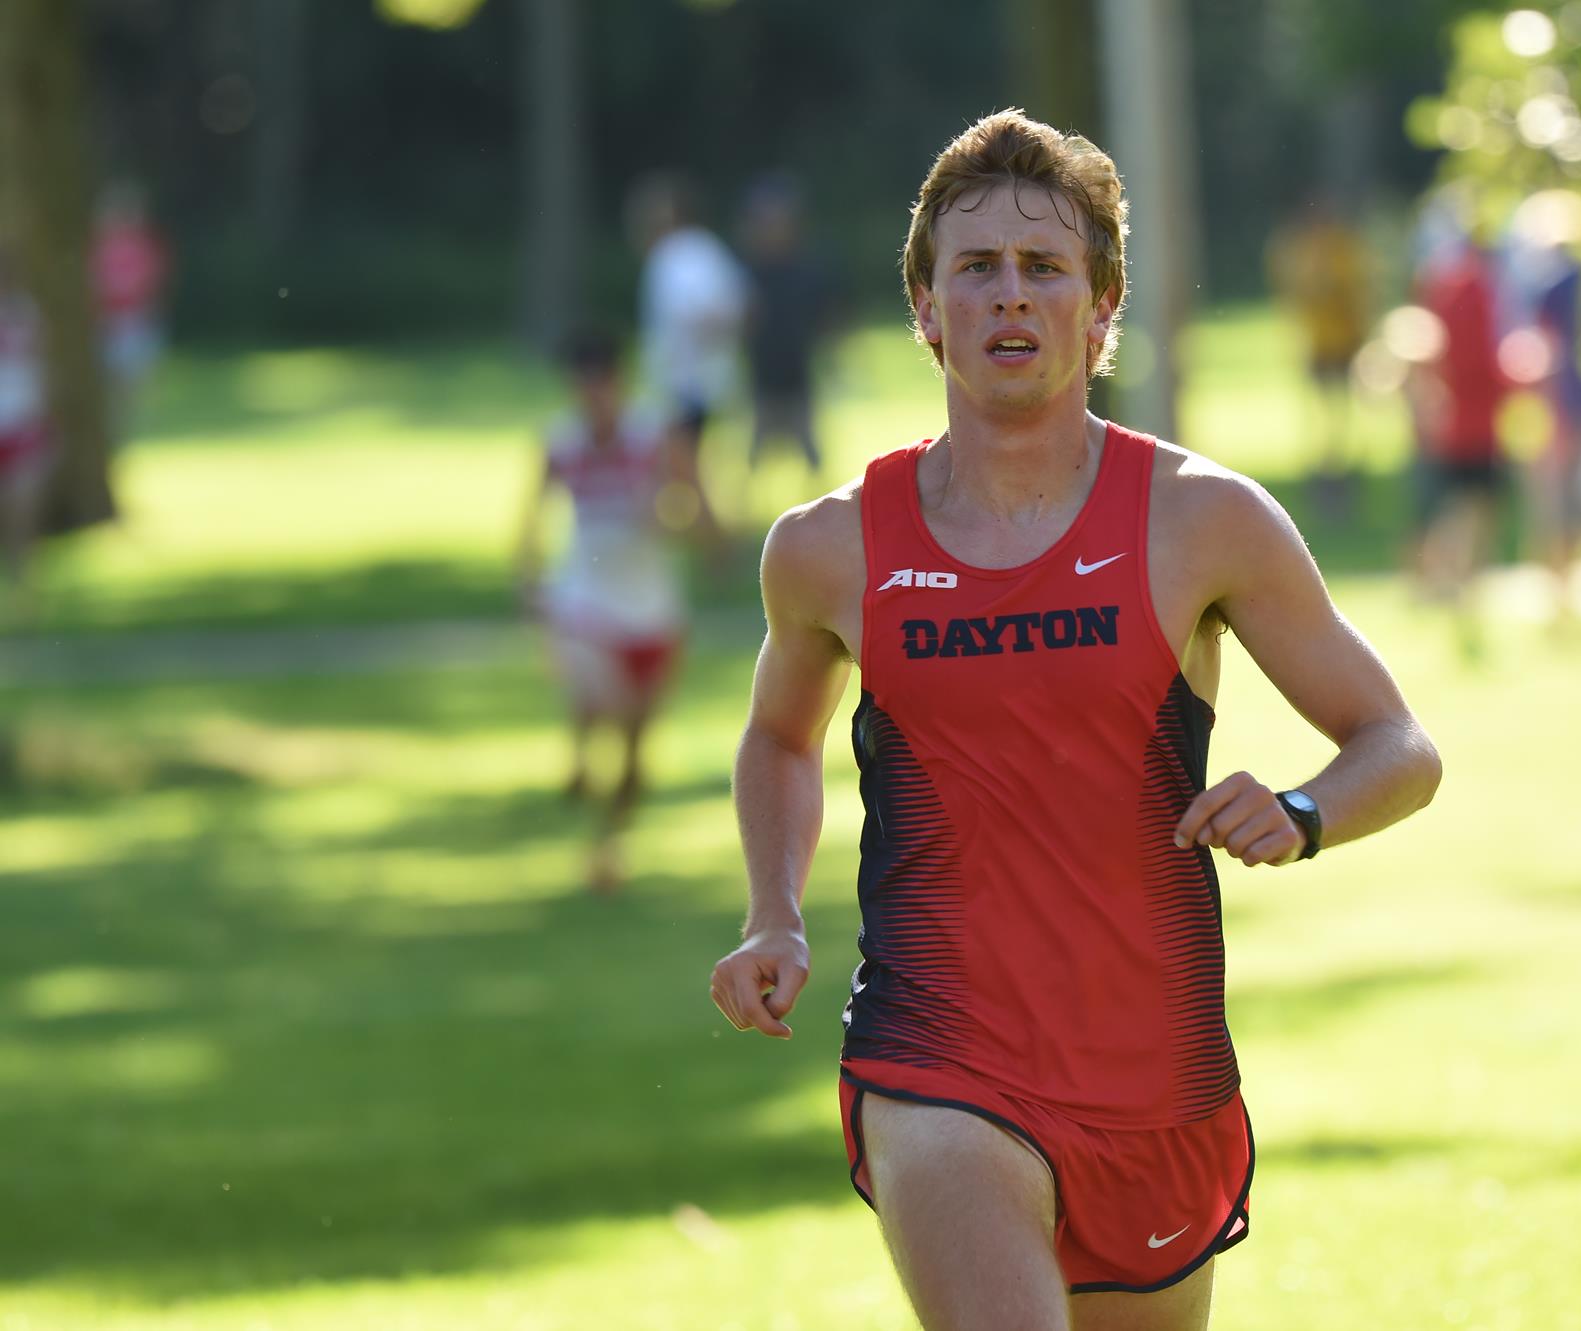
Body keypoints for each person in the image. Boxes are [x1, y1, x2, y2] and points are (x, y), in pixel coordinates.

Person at [708, 110, 1441, 1331]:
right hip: (935, 1059)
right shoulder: (830, 547)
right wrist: (771, 912)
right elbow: (781, 736)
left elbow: (1397, 744)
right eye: (975, 269)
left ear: (1101, 309)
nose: (1009, 297)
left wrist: (1303, 810)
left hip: (1155, 1077)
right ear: (926, 308)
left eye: (1044, 269)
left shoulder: (1202, 519)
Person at [515, 327, 687, 893]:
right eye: (583, 385)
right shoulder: (560, 442)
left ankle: (610, 843)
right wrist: (530, 585)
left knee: (636, 754)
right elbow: (531, 520)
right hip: (584, 603)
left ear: (620, 381)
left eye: (603, 383)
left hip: (651, 609)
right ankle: (583, 756)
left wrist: (670, 518)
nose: (594, 396)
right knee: (607, 703)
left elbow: (694, 506)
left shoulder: (653, 435)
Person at [629, 173, 747, 552]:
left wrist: (692, 351)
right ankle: (673, 543)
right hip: (708, 380)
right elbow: (741, 306)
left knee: (681, 469)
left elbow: (700, 312)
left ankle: (718, 553)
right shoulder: (706, 250)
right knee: (671, 470)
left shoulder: (675, 257)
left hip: (684, 384)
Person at [1407, 201, 1506, 639]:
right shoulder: (1474, 285)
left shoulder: (1440, 283)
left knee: (1462, 503)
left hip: (1454, 413)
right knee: (1472, 506)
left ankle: (1443, 578)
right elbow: (1478, 353)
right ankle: (1452, 579)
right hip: (1475, 414)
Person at [1266, 190, 1370, 500]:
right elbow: (1296, 288)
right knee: (1319, 409)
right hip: (1317, 342)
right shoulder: (1302, 249)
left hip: (1345, 340)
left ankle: (1343, 465)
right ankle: (1323, 468)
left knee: (1343, 409)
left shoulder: (1343, 246)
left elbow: (1355, 289)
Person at [741, 173, 836, 478]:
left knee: (808, 445)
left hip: (797, 373)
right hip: (762, 373)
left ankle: (820, 500)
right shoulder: (747, 273)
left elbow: (824, 318)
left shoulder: (806, 271)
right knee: (756, 445)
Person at [92, 180, 170, 442]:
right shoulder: (98, 247)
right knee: (109, 384)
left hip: (134, 322)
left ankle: (123, 431)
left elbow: (152, 285)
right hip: (107, 323)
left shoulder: (144, 245)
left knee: (130, 384)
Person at [0, 251, 49, 621]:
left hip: (23, 418)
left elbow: (40, 360)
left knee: (24, 500)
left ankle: (23, 574)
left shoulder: (24, 312)